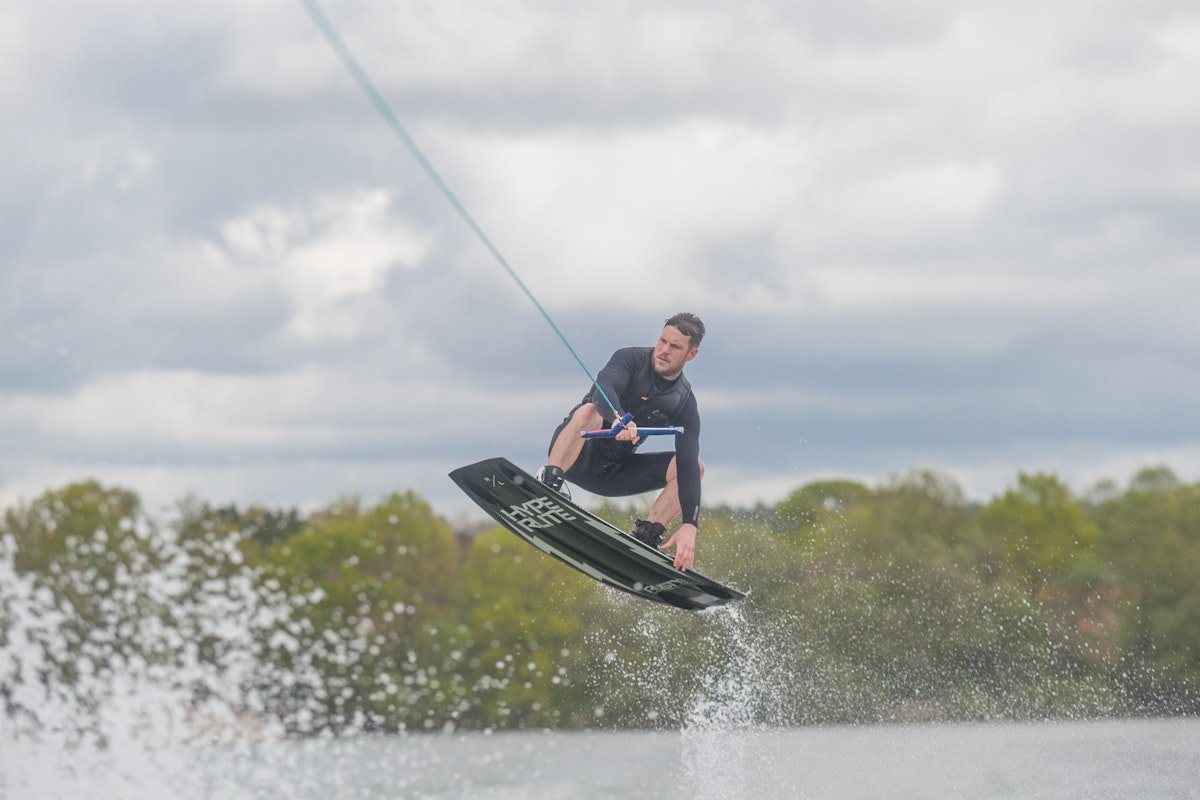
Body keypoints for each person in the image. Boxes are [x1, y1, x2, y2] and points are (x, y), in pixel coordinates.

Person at [537, 312, 705, 571]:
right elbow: (603, 389)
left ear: (691, 354)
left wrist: (690, 526)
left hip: (611, 474)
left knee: (696, 466)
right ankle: (549, 484)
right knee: (589, 411)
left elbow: (688, 463)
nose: (664, 350)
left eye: (675, 347)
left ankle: (646, 538)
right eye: (662, 341)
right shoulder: (630, 359)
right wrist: (617, 418)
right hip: (575, 456)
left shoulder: (683, 401)